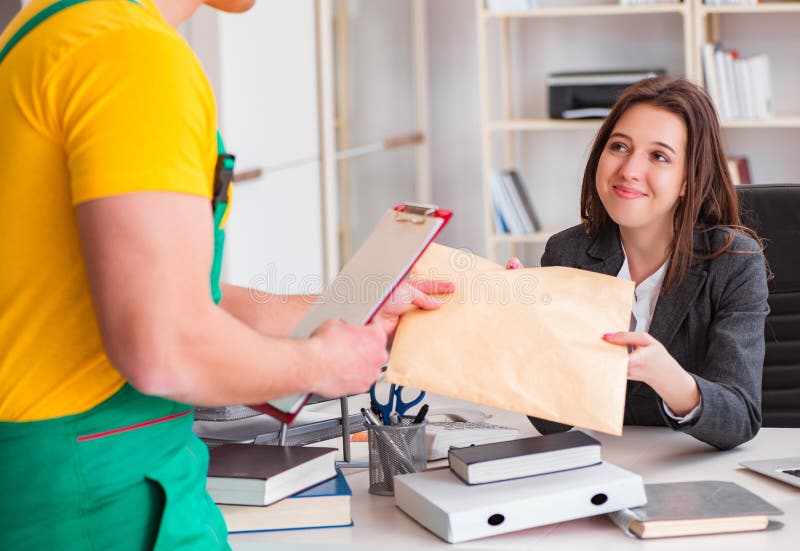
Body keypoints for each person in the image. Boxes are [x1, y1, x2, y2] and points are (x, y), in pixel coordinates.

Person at [0, 1, 451, 549]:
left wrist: (354, 303)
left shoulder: (52, 27)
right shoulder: (131, 56)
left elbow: (175, 296)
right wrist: (320, 364)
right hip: (99, 496)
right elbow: (165, 348)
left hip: (58, 474)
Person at [512, 77, 768, 451]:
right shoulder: (566, 253)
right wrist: (530, 336)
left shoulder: (735, 262)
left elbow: (741, 418)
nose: (629, 170)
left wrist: (669, 378)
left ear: (688, 180)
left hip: (690, 468)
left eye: (659, 156)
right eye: (619, 147)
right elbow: (549, 422)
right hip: (600, 467)